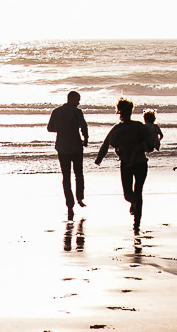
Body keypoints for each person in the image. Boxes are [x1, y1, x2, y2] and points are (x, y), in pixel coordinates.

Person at [94, 98, 153, 230]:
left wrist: (99, 159)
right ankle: (136, 216)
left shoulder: (122, 128)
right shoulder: (134, 126)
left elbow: (105, 145)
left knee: (132, 193)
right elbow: (149, 145)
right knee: (136, 193)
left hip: (131, 164)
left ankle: (135, 215)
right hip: (136, 163)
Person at [46, 90, 89, 218]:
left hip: (62, 147)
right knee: (78, 173)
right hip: (76, 147)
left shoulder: (56, 111)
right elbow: (83, 126)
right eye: (78, 99)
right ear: (72, 99)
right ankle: (79, 198)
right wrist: (85, 138)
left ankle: (69, 204)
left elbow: (50, 128)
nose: (79, 102)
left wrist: (61, 129)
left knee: (66, 176)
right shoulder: (77, 112)